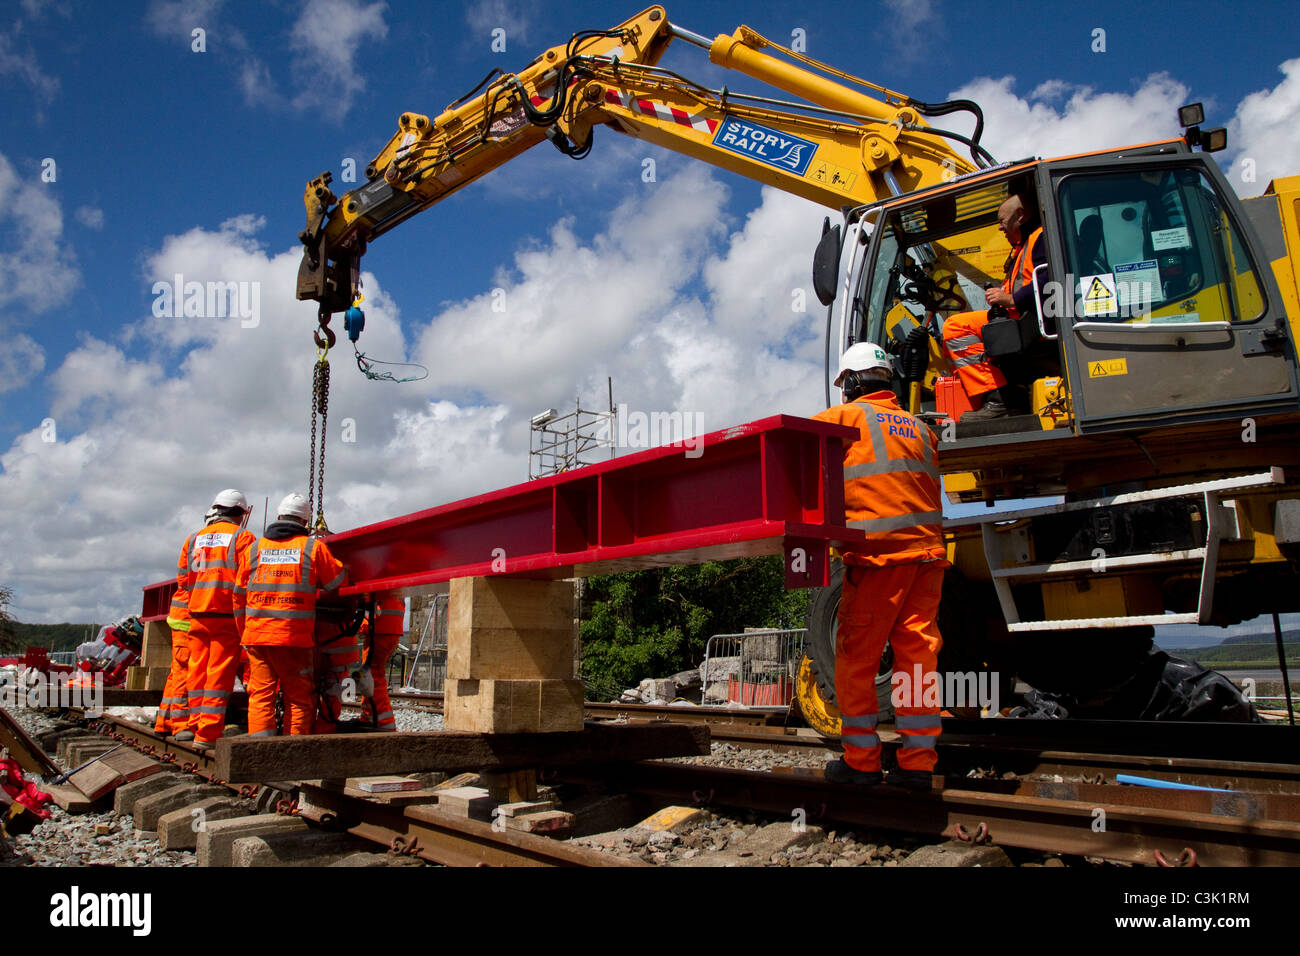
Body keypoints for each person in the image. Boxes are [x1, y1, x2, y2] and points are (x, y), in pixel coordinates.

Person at [813, 343, 949, 789]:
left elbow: (788, 442)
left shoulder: (845, 419)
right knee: (917, 660)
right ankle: (918, 763)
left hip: (880, 557)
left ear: (852, 382)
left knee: (855, 658)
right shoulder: (920, 428)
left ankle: (861, 762)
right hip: (927, 557)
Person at [236, 493, 346, 737]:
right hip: (292, 638)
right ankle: (291, 752)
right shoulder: (312, 548)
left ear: (278, 517)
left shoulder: (254, 549)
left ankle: (259, 752)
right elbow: (335, 581)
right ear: (306, 523)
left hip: (257, 636)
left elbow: (238, 594)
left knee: (261, 695)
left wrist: (243, 630)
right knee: (298, 696)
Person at [940, 193, 1046, 421]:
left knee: (956, 327)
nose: (1000, 228)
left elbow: (1048, 281)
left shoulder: (1041, 239)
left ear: (1020, 216)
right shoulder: (1023, 246)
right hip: (1019, 316)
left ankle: (999, 400)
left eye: (1001, 220)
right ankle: (1005, 395)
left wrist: (1010, 300)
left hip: (1027, 319)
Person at [176, 491, 256, 749]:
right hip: (225, 614)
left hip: (197, 612)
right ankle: (208, 734)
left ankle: (194, 723)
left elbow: (183, 580)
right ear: (240, 513)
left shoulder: (193, 538)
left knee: (197, 670)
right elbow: (248, 579)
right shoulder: (243, 537)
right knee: (219, 675)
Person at [359, 597, 405, 732]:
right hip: (390, 629)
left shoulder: (376, 579)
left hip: (379, 629)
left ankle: (384, 722)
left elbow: (366, 597)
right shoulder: (393, 586)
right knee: (374, 675)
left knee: (372, 676)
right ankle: (369, 717)